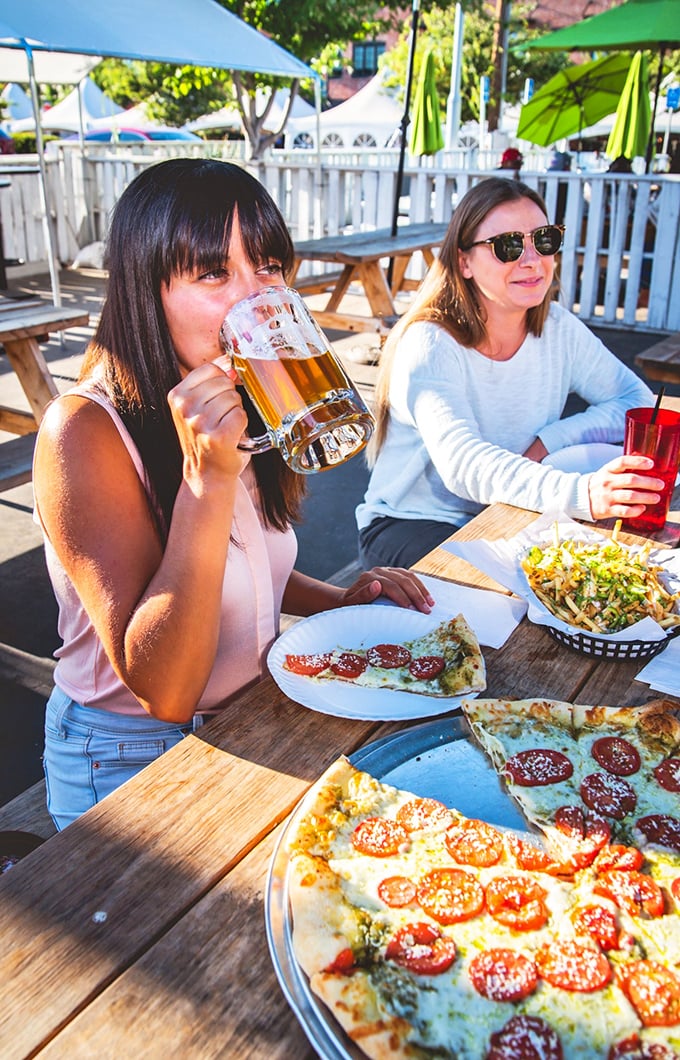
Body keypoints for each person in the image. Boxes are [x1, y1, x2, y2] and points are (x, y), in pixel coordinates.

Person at [33, 158, 434, 830]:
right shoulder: (83, 431)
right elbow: (164, 687)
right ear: (146, 289)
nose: (257, 300)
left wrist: (337, 598)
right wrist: (206, 481)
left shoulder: (250, 393)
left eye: (269, 266)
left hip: (256, 712)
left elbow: (246, 563)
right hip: (132, 756)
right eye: (214, 273)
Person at [356, 176, 659, 570]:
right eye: (509, 245)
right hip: (412, 524)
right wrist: (582, 492)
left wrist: (549, 441)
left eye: (544, 240)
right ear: (464, 262)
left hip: (510, 514)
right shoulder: (430, 342)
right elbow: (463, 465)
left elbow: (636, 402)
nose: (532, 259)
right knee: (543, 591)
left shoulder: (557, 328)